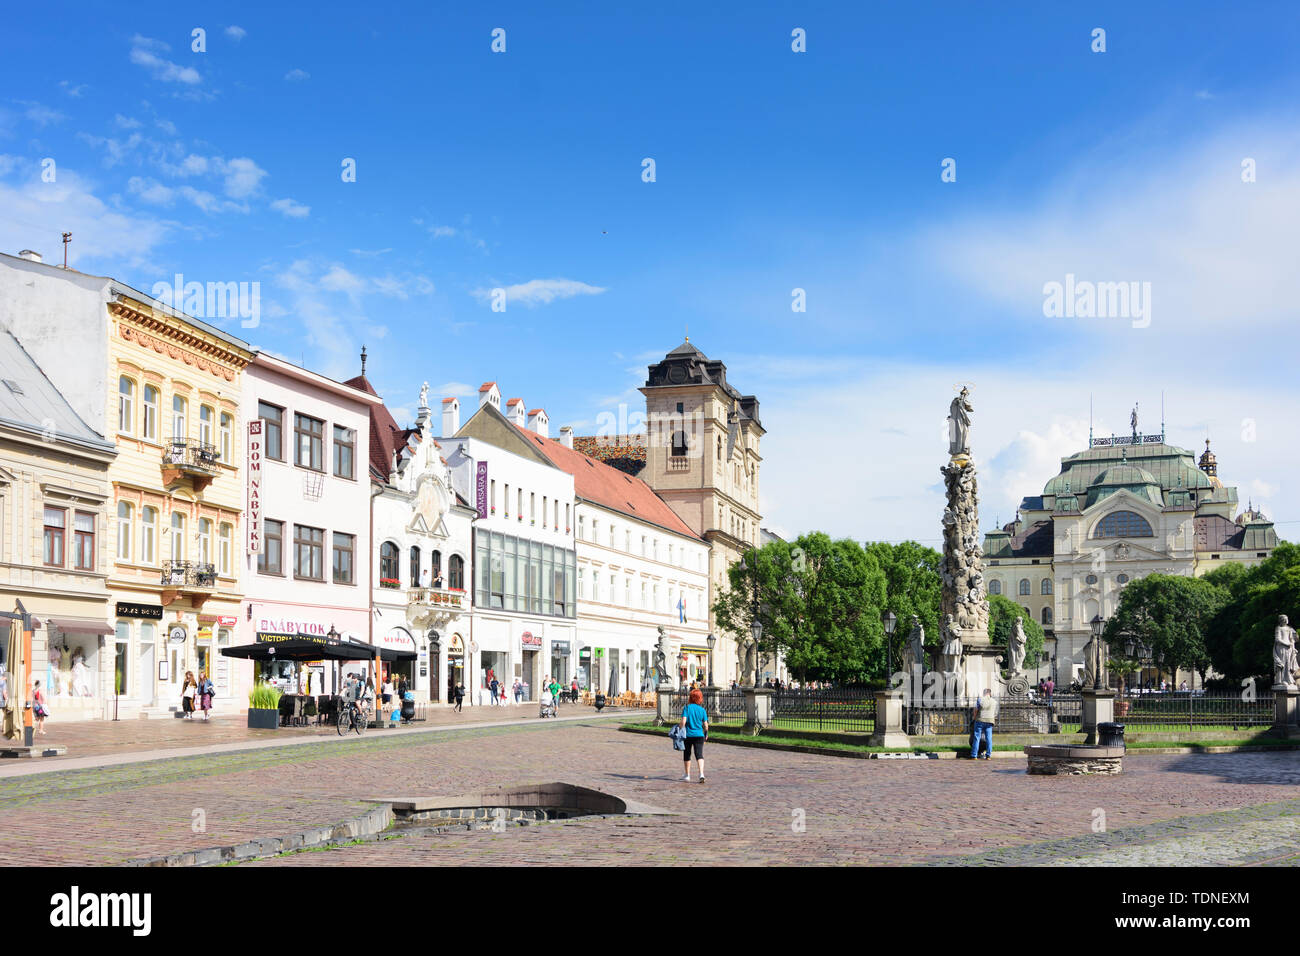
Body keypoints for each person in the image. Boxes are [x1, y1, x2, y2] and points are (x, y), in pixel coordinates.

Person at [679, 687, 709, 783]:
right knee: (699, 754)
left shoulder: (687, 708)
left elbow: (683, 722)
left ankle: (687, 775)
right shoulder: (702, 710)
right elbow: (705, 725)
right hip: (699, 735)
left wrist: (680, 728)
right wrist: (706, 734)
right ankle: (701, 774)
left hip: (688, 735)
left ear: (691, 698)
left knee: (687, 754)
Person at [970, 688, 998, 760]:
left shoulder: (980, 700)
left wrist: (974, 718)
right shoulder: (994, 701)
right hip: (989, 721)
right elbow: (995, 713)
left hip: (980, 720)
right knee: (989, 738)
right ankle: (988, 755)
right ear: (990, 693)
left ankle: (974, 755)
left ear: (984, 693)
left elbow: (976, 710)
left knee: (977, 737)